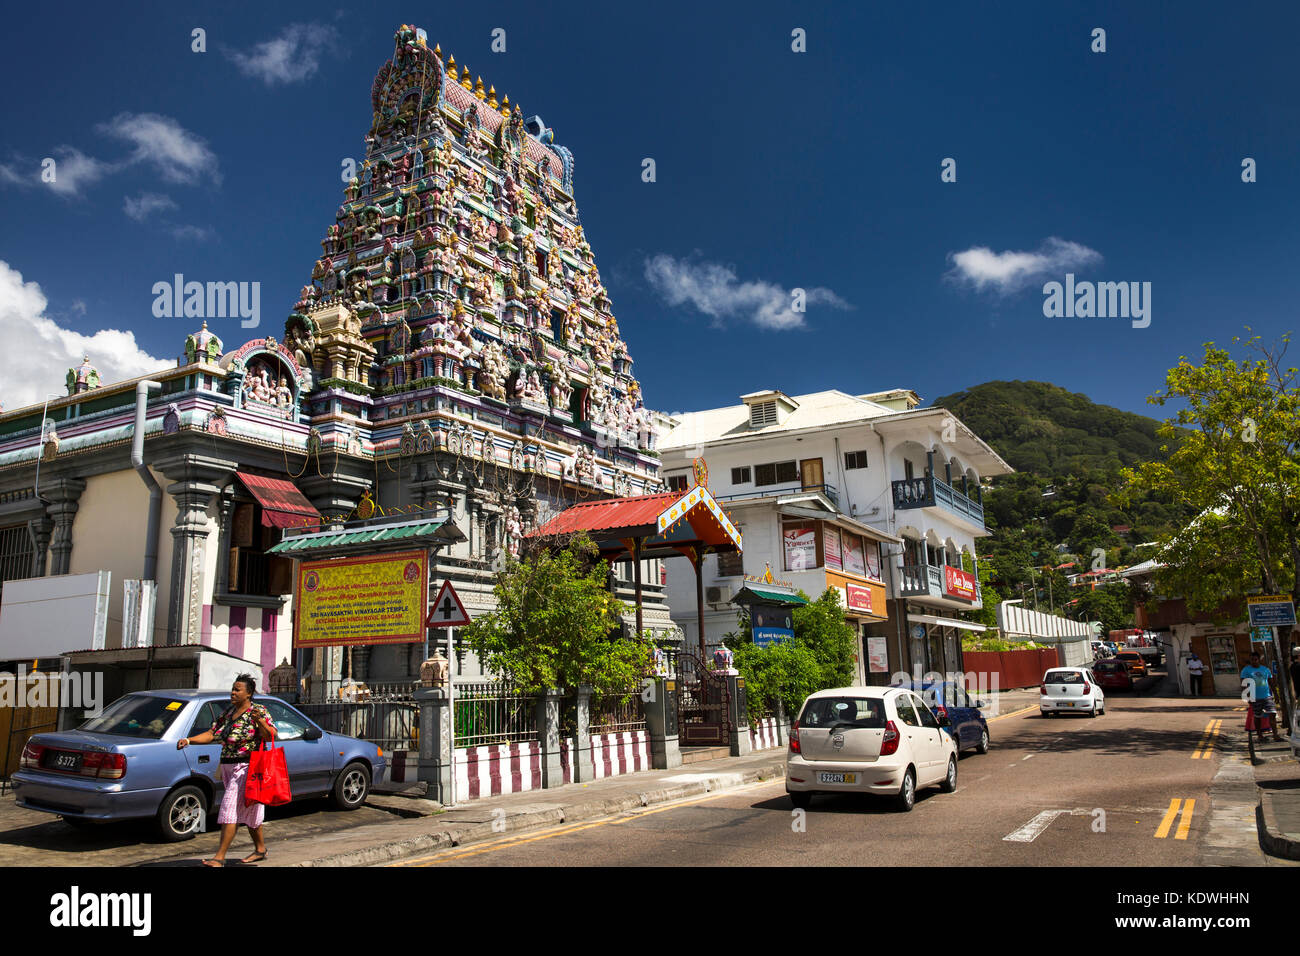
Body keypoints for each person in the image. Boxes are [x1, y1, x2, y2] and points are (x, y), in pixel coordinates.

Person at [178, 675, 275, 866]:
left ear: (249, 693)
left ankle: (220, 857)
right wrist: (189, 740)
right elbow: (212, 734)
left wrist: (261, 722)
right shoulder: (229, 713)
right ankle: (260, 849)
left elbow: (271, 735)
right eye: (233, 688)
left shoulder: (258, 711)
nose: (233, 692)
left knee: (229, 809)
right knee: (251, 811)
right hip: (227, 767)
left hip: (247, 768)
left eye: (238, 689)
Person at [1241, 652, 1282, 743]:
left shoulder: (1265, 670)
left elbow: (1271, 682)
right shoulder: (1246, 670)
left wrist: (1276, 694)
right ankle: (1260, 735)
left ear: (1259, 660)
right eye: (1252, 660)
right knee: (1257, 716)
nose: (1254, 661)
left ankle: (1275, 735)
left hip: (1267, 696)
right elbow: (1244, 685)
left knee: (1272, 714)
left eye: (1255, 659)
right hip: (1255, 698)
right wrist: (1247, 698)